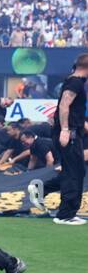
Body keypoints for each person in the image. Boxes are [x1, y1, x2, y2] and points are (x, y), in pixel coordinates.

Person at [38, 55, 87, 225]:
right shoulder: (76, 82)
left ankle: (45, 191)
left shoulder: (74, 81)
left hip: (72, 131)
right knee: (74, 172)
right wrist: (65, 130)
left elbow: (67, 108)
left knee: (74, 171)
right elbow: (64, 105)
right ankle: (66, 214)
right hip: (69, 133)